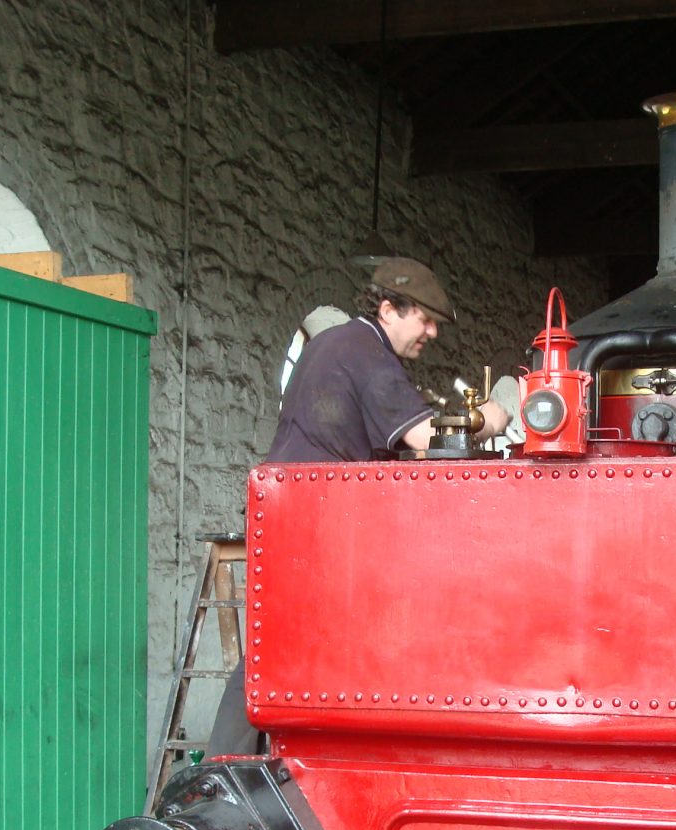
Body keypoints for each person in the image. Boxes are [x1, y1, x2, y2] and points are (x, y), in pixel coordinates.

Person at [205, 258, 510, 758]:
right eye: (426, 319)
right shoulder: (365, 351)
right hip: (314, 519)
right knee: (280, 650)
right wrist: (488, 421)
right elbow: (424, 436)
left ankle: (236, 764)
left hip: (297, 513)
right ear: (389, 309)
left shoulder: (335, 344)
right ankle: (231, 767)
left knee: (273, 648)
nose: (432, 332)